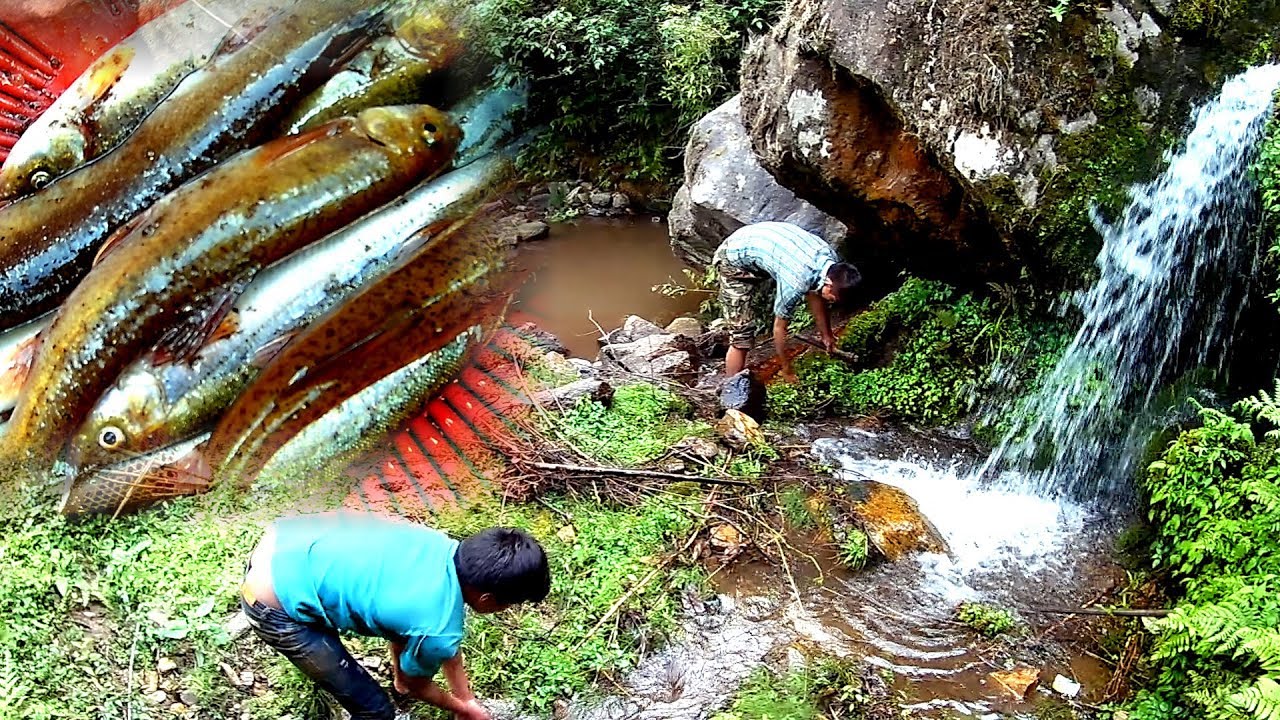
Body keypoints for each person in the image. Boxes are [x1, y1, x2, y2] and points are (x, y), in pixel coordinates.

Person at [239, 512, 551, 720]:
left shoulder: (437, 546)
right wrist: (466, 711)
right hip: (272, 604)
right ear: (487, 599)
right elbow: (424, 676)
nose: (511, 609)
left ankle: (395, 683)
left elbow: (435, 642)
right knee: (376, 712)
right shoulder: (436, 627)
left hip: (283, 541)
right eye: (512, 603)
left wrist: (464, 697)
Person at [712, 221, 861, 382]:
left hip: (760, 241)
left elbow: (815, 295)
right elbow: (779, 328)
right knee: (741, 337)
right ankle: (731, 391)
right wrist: (786, 369)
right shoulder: (796, 281)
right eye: (833, 298)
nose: (832, 302)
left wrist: (827, 336)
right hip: (733, 260)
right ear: (829, 284)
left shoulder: (830, 260)